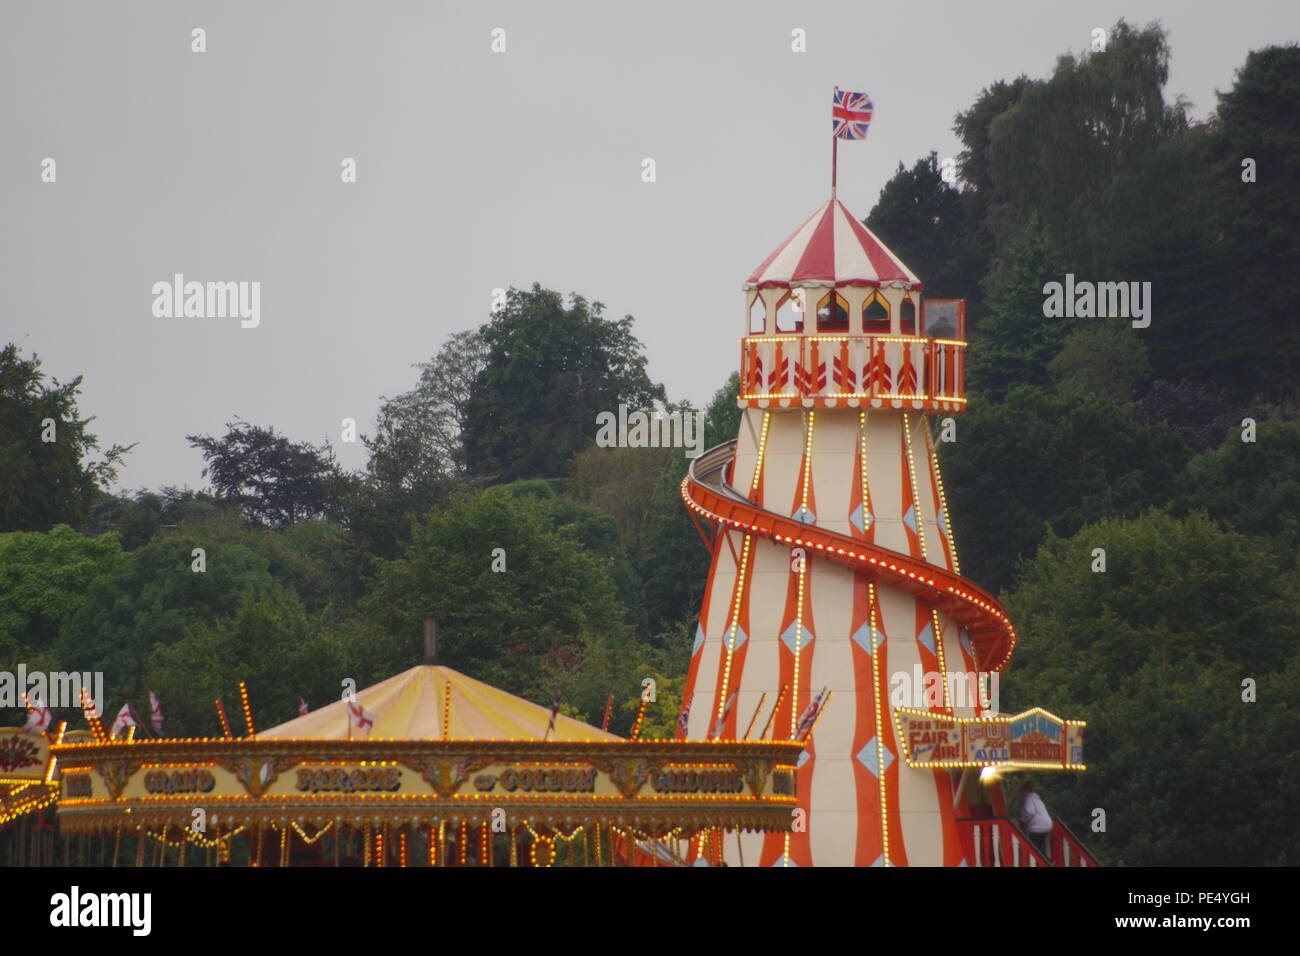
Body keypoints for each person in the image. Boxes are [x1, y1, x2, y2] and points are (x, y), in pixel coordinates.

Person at [1017, 780, 1053, 862]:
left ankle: (1046, 862)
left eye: (1022, 792)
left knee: (1033, 848)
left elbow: (1029, 811)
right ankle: (1046, 861)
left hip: (1037, 826)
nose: (1021, 795)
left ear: (1026, 791)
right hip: (1047, 825)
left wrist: (1022, 820)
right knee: (1038, 846)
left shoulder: (1029, 798)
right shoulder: (1037, 799)